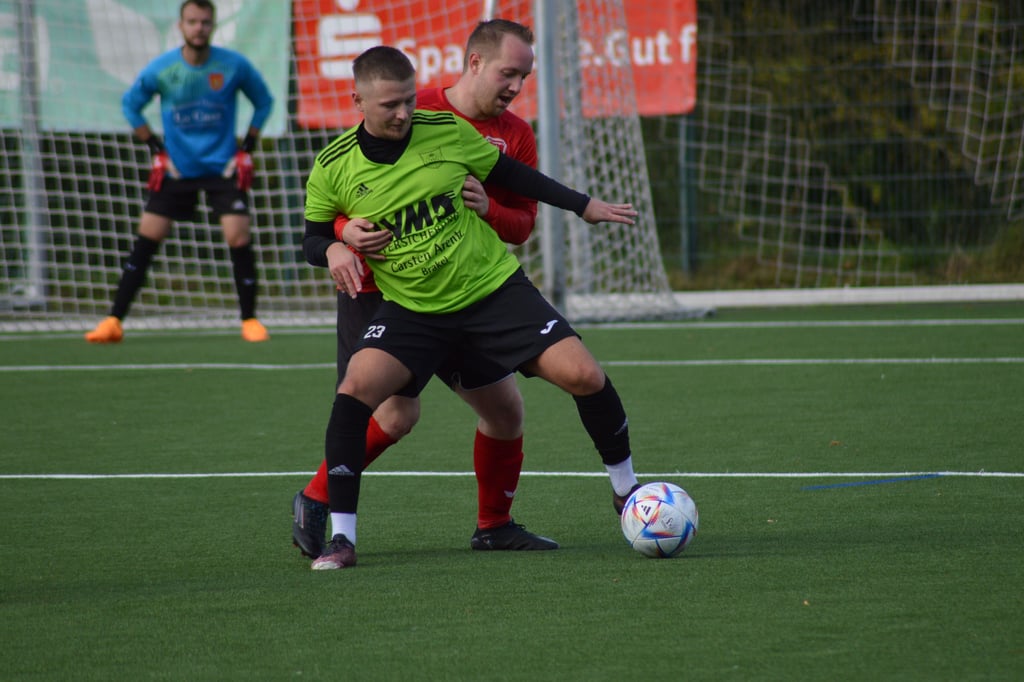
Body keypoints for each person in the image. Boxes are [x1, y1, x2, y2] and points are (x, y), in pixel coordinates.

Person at [302, 45, 642, 570]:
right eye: (390, 104)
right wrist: (334, 245)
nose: (403, 113)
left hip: (492, 292)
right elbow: (313, 234)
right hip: (413, 308)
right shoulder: (333, 166)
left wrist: (584, 206)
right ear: (358, 102)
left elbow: (514, 176)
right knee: (358, 396)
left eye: (409, 100)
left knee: (584, 375)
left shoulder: (445, 129)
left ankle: (628, 494)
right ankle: (342, 538)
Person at [291, 19, 558, 559]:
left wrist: (492, 210)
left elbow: (522, 227)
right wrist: (342, 236)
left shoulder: (517, 135)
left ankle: (494, 525)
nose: (515, 86)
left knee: (505, 410)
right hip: (378, 289)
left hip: (462, 290)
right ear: (475, 63)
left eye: (524, 77)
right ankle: (319, 499)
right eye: (509, 72)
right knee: (395, 414)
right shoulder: (419, 108)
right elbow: (337, 204)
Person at [85, 0, 274, 344]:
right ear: (181, 25)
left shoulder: (233, 66)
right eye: (192, 22)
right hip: (177, 168)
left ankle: (250, 320)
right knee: (147, 238)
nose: (198, 28)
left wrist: (246, 149)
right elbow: (131, 105)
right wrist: (157, 151)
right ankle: (113, 320)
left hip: (222, 167)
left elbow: (264, 102)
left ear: (212, 25)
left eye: (205, 22)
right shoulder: (162, 69)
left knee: (239, 237)